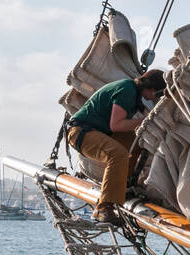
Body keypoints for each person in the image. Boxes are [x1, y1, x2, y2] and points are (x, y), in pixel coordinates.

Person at [66, 69, 167, 223]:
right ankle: (103, 208)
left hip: (98, 131)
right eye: (158, 94)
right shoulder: (127, 90)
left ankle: (124, 186)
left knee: (139, 141)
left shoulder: (133, 91)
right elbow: (116, 125)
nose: (156, 98)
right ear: (152, 88)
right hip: (81, 133)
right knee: (117, 154)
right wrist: (145, 121)